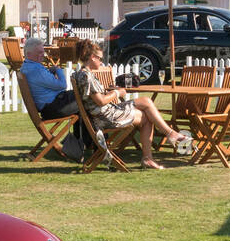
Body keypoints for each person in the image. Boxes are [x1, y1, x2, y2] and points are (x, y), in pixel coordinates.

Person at [72, 40, 191, 170]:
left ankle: (164, 140)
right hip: (105, 117)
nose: (101, 62)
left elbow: (95, 99)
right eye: (99, 58)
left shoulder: (81, 74)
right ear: (92, 57)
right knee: (146, 113)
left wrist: (112, 92)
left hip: (102, 114)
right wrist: (117, 93)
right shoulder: (86, 76)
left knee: (146, 107)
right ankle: (157, 148)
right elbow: (100, 101)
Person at [21, 38, 76, 121]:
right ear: (29, 55)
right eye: (39, 52)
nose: (43, 55)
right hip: (53, 108)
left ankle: (82, 133)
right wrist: (58, 70)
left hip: (49, 107)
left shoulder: (26, 67)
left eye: (43, 52)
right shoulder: (37, 70)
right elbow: (63, 85)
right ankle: (88, 133)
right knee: (84, 98)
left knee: (83, 98)